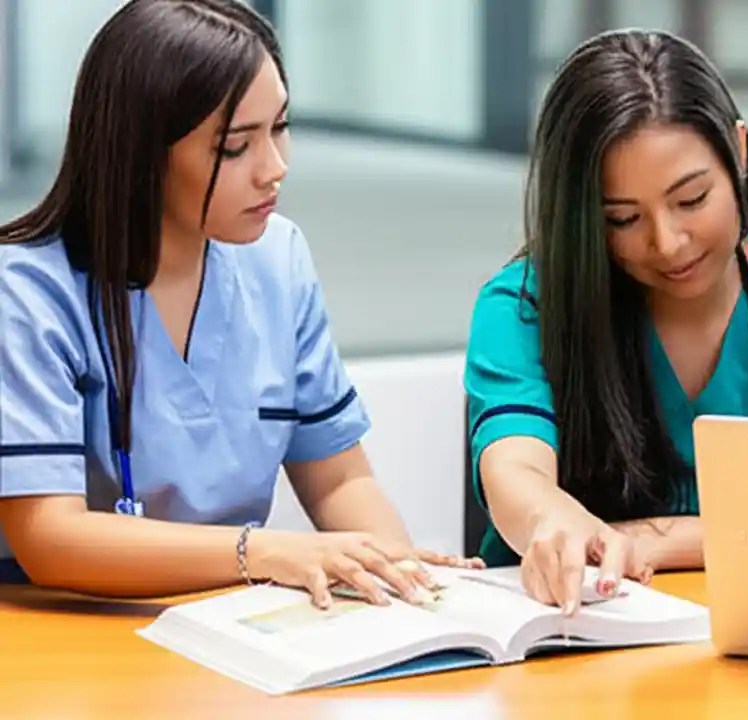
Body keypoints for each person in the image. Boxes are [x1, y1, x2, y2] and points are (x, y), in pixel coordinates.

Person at [0, 0, 476, 608]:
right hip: (59, 629)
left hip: (221, 624)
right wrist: (262, 552)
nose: (274, 168)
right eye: (234, 147)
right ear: (141, 153)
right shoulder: (29, 293)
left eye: (279, 128)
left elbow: (338, 479)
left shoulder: (278, 259)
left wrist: (396, 573)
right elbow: (49, 537)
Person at [465, 29, 748, 613]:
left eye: (691, 200)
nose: (668, 243)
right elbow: (514, 467)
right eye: (623, 219)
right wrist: (551, 520)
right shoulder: (523, 306)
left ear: (738, 153)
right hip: (566, 633)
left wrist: (642, 540)